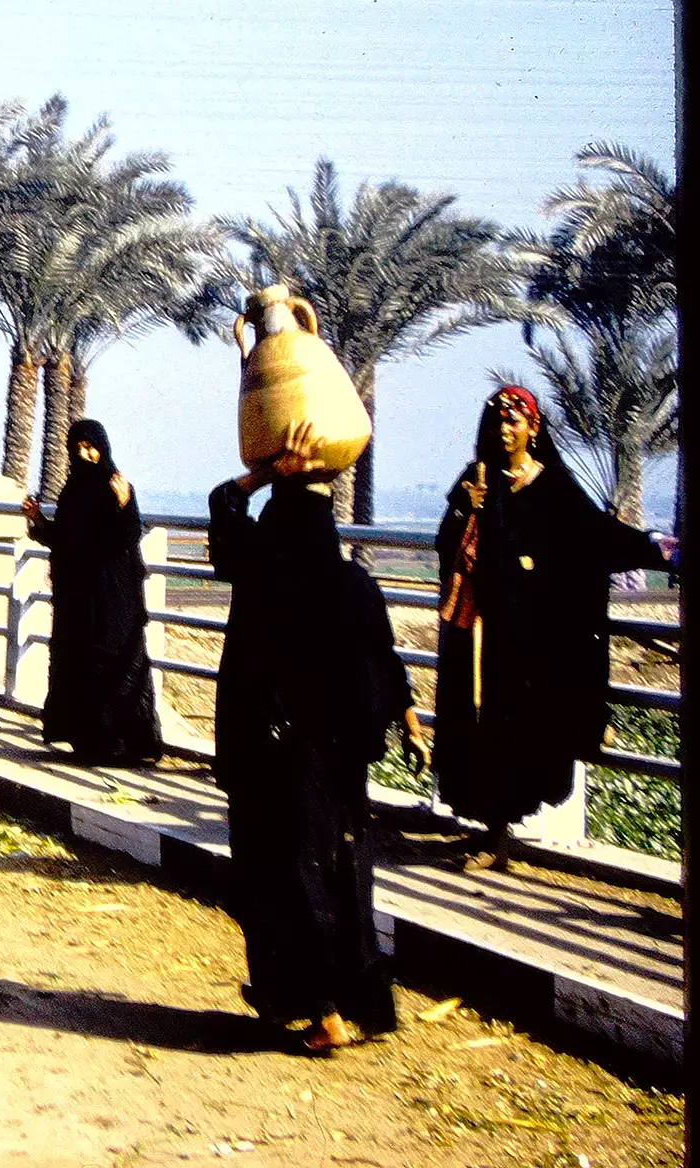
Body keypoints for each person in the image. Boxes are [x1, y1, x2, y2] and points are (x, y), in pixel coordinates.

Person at [209, 420, 430, 1053]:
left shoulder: (259, 569)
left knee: (280, 871)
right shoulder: (349, 582)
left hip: (271, 749)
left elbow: (224, 506)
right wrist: (408, 720)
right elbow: (383, 659)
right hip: (333, 755)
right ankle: (338, 1004)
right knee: (338, 873)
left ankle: (322, 1010)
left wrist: (264, 475)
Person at [432, 385, 676, 871]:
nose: (504, 431)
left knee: (518, 729)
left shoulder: (553, 485)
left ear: (533, 428)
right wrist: (468, 509)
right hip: (480, 632)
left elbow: (595, 536)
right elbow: (447, 542)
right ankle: (490, 832)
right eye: (497, 422)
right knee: (477, 724)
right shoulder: (475, 479)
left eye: (513, 422)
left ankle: (501, 837)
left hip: (529, 640)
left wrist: (658, 549)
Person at [21, 418, 161, 764]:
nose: (85, 454)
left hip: (114, 599)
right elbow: (66, 540)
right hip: (78, 600)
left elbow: (127, 537)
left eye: (91, 447)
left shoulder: (117, 485)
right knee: (79, 663)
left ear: (103, 447)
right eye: (78, 448)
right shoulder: (72, 492)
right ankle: (88, 741)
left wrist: (125, 504)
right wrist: (38, 522)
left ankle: (127, 744)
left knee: (118, 662)